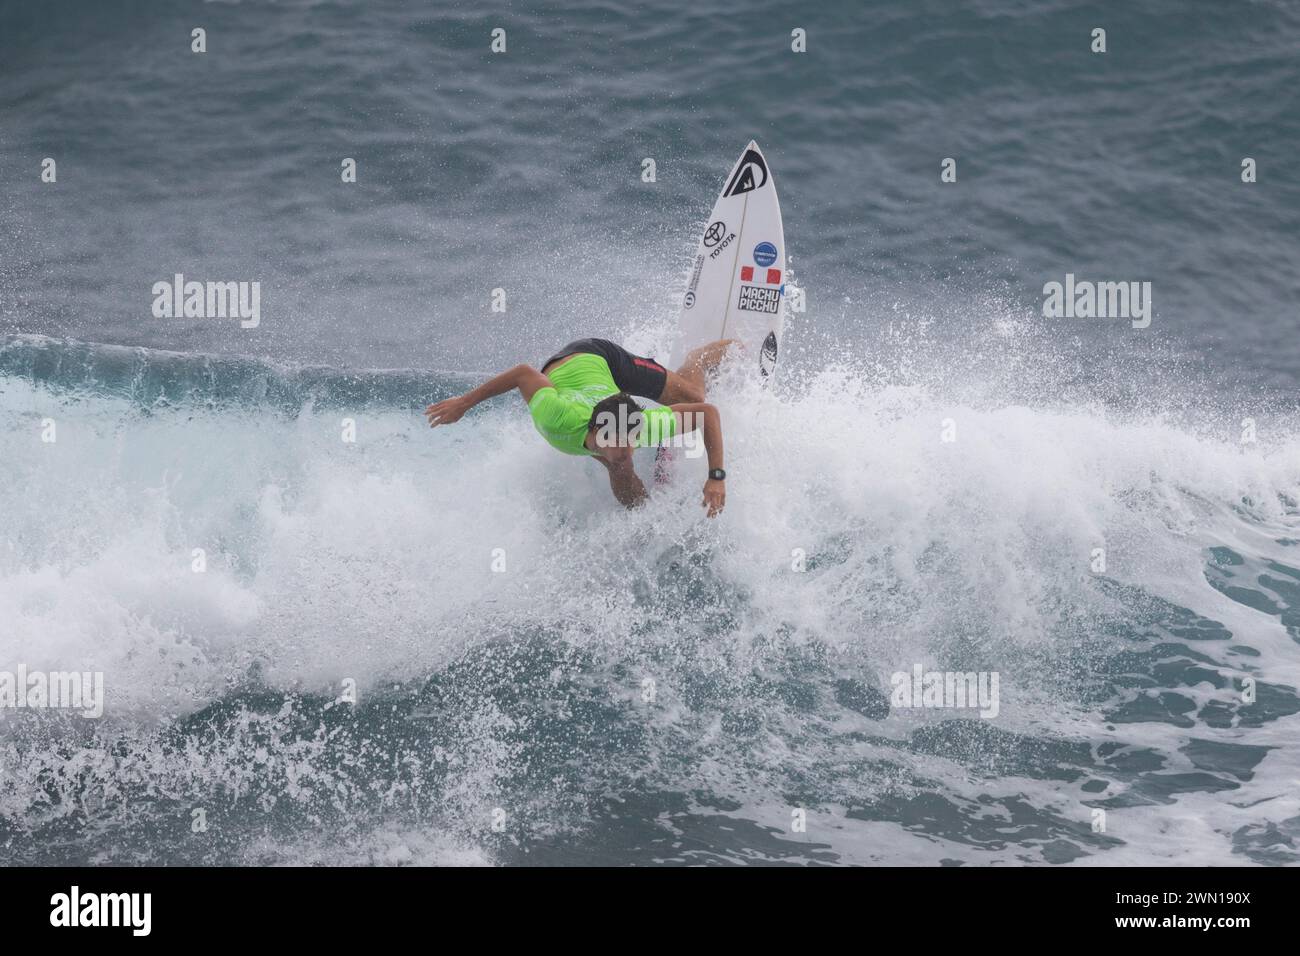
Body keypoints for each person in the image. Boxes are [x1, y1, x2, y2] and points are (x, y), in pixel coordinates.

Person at [425, 337, 733, 515]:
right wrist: (463, 404)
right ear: (595, 432)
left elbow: (707, 414)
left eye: (629, 441)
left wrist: (716, 477)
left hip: (603, 371)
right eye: (615, 442)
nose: (626, 449)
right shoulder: (557, 415)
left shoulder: (643, 426)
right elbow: (523, 373)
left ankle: (701, 357)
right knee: (619, 468)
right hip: (583, 357)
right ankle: (643, 515)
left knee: (694, 395)